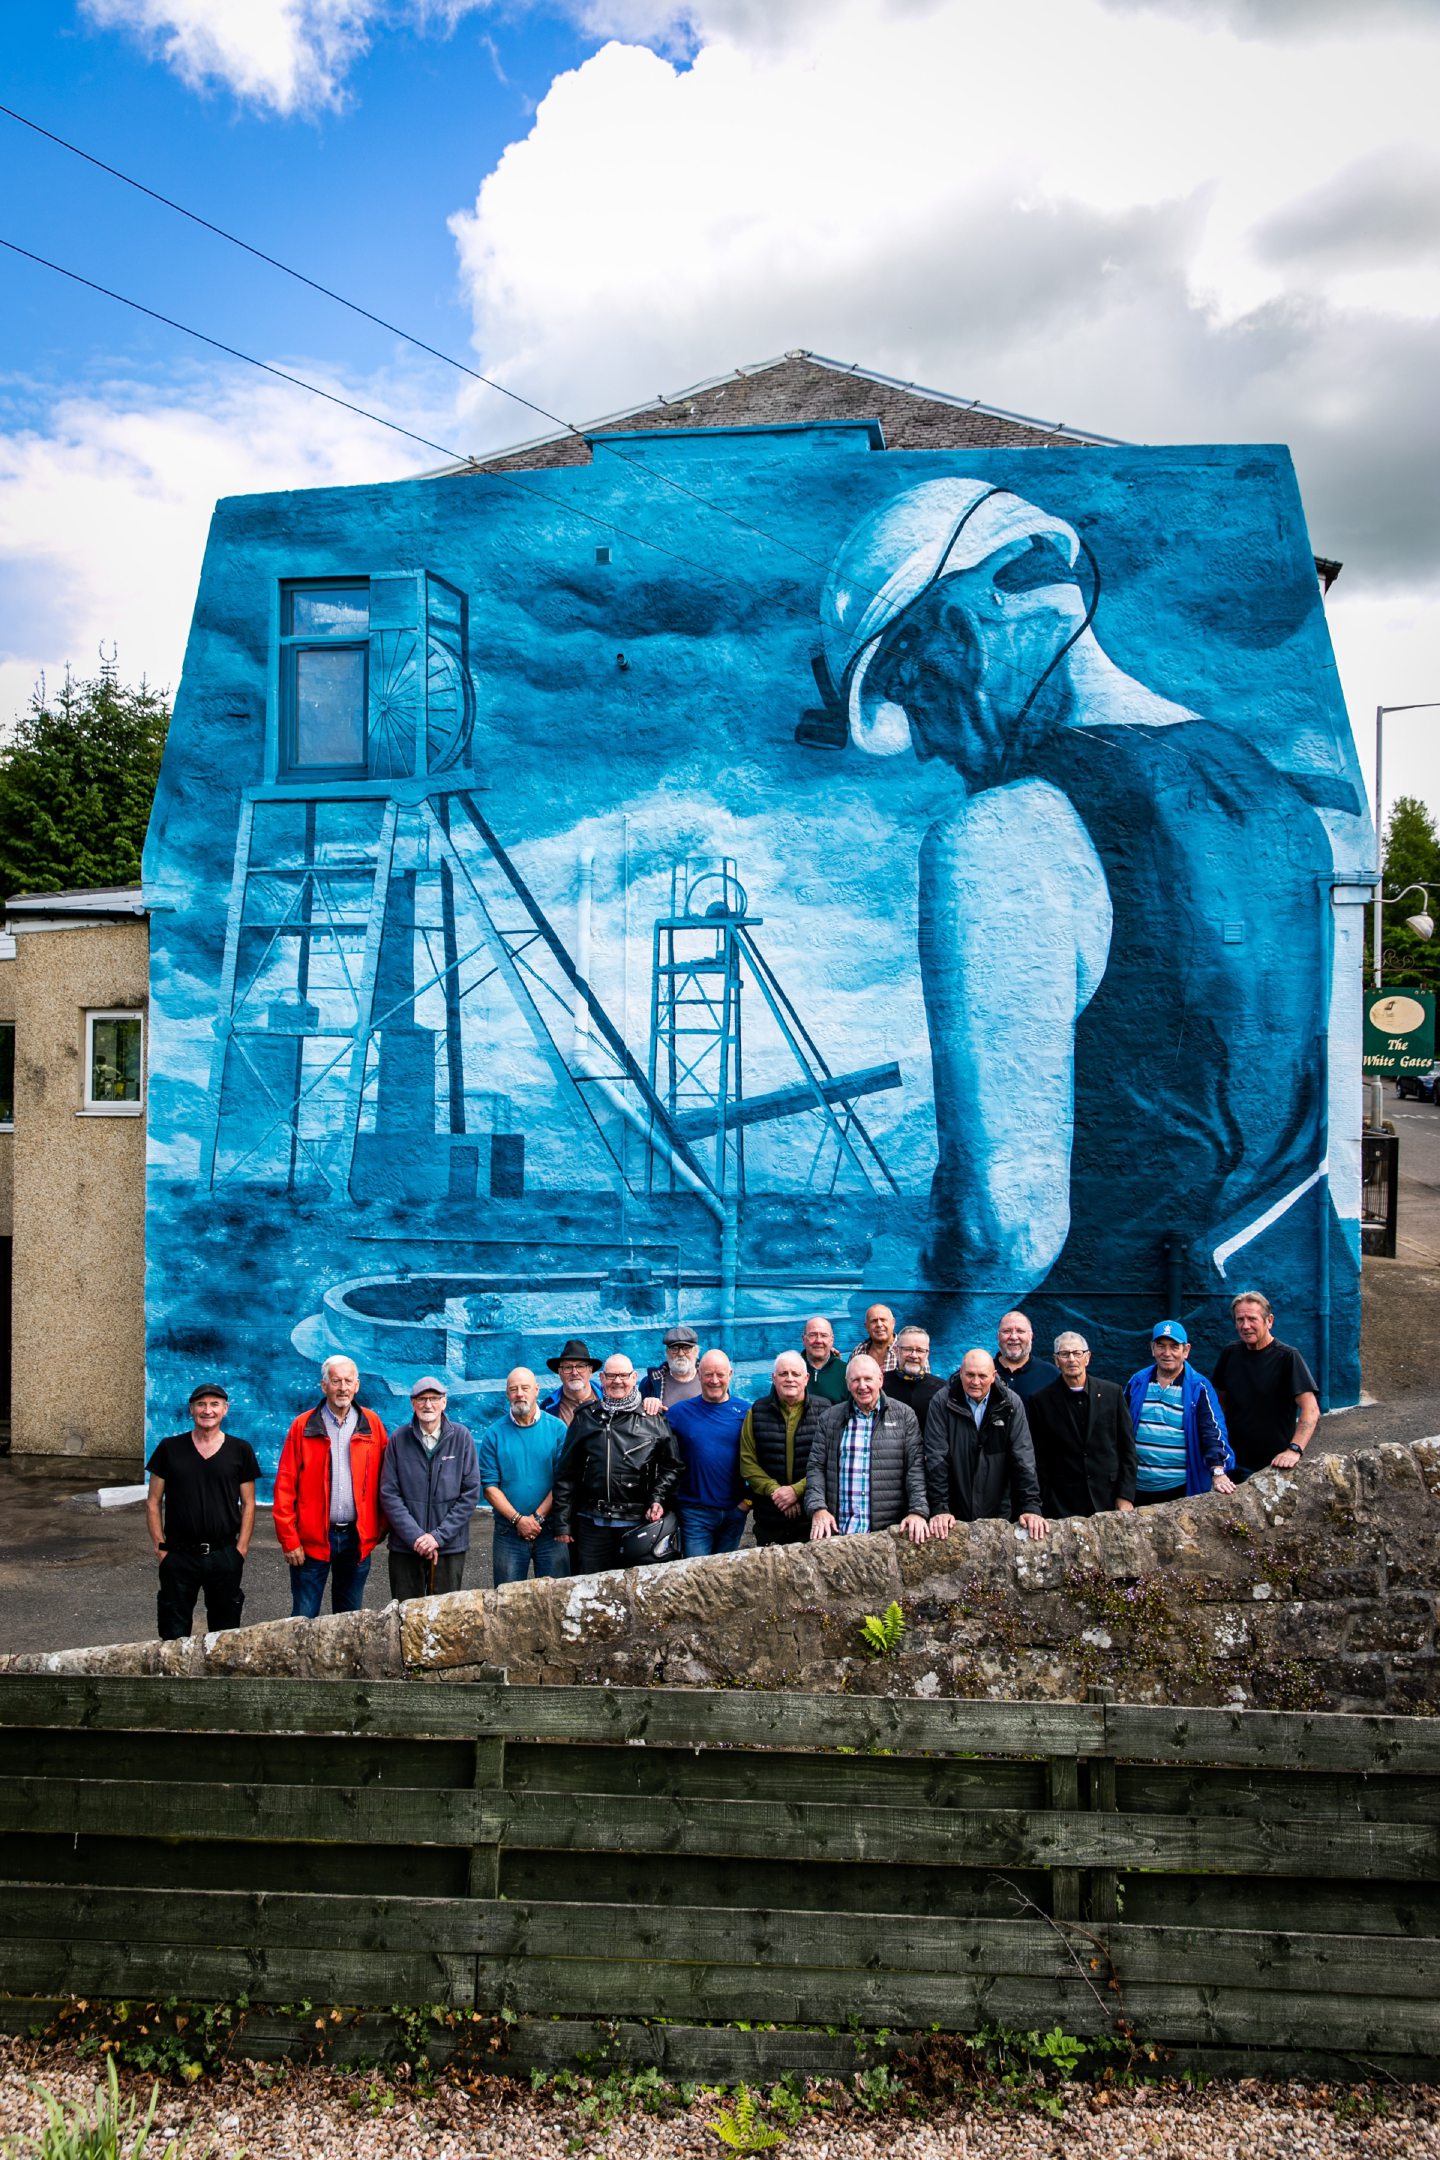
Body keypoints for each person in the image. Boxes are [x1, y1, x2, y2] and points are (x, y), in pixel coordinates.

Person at [818, 477, 1338, 1358]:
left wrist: (906, 1365)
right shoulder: (1282, 802)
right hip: (1243, 1344)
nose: (927, 740)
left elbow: (1004, 1230)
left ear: (963, 630)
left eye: (908, 688)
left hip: (1093, 1365)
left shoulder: (1000, 835)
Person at [273, 1354, 390, 1618]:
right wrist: (289, 1539)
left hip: (355, 1540)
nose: (343, 1387)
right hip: (311, 1540)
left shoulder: (372, 1424)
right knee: (303, 1618)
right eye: (335, 1381)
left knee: (349, 1621)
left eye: (348, 1381)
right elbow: (285, 1485)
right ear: (323, 1386)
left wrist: (380, 1527)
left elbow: (387, 1481)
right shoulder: (303, 1426)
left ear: (357, 1386)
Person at [551, 1352, 684, 1574]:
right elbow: (567, 1473)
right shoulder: (585, 1418)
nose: (618, 1381)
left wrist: (658, 1497)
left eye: (623, 1375)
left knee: (636, 1595)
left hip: (638, 1523)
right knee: (591, 1593)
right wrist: (562, 1523)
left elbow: (673, 1466)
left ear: (634, 1378)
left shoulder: (653, 1419)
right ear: (602, 1379)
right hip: (592, 1524)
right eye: (612, 1376)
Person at [145, 1383, 259, 1641]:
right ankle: (175, 1681)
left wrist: (240, 1548)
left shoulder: (240, 1450)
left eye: (214, 1404)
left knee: (224, 1633)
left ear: (225, 1409)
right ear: (191, 1409)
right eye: (201, 1404)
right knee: (173, 1632)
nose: (208, 1410)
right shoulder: (169, 1448)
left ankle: (218, 1681)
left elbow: (248, 1503)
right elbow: (153, 1501)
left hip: (224, 1554)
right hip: (178, 1555)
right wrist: (160, 1547)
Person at [924, 1350, 1047, 1541]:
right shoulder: (942, 1401)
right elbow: (936, 1459)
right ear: (960, 1372)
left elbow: (1023, 1457)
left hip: (999, 1511)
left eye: (982, 1376)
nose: (975, 1382)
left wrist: (1030, 1507)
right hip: (953, 1516)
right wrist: (940, 1507)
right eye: (970, 1375)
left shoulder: (1011, 1403)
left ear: (993, 1376)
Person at [806, 1355, 928, 1544]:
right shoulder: (829, 1418)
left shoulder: (905, 1415)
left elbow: (915, 1468)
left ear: (880, 1379)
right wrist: (818, 1508)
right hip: (838, 1533)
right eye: (855, 1380)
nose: (862, 1386)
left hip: (888, 1536)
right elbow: (815, 1467)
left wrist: (917, 1511)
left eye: (868, 1379)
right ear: (847, 1384)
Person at [379, 1375, 481, 1601]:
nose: (428, 1404)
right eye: (422, 1399)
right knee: (405, 1615)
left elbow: (470, 1493)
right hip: (406, 1547)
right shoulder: (398, 1439)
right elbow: (389, 1494)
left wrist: (437, 1537)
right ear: (412, 1403)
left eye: (434, 1398)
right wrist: (416, 1537)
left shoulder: (462, 1437)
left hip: (449, 1547)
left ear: (444, 1402)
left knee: (446, 1620)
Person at [478, 1366, 571, 1585]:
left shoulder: (557, 1429)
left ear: (536, 1390)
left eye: (525, 1388)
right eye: (513, 1389)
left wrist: (537, 1518)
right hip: (508, 1531)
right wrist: (518, 1520)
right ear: (507, 1394)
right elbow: (490, 1487)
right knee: (507, 1601)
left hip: (550, 1530)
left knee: (556, 1598)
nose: (519, 1394)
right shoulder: (494, 1434)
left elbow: (563, 1480)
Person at [1124, 1322, 1235, 1506]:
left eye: (1174, 1347)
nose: (1167, 1353)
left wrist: (1218, 1471)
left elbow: (1212, 1431)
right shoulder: (1137, 1381)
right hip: (1136, 1488)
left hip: (1180, 1490)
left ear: (1186, 1350)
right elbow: (1119, 1427)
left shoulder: (1198, 1387)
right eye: (1161, 1346)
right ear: (1153, 1349)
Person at [1028, 1332, 1136, 1520]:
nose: (1071, 1359)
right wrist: (1046, 1501)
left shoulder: (1113, 1393)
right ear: (1056, 1360)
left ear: (1087, 1358)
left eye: (1077, 1353)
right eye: (1064, 1354)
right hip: (1062, 1506)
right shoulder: (1041, 1401)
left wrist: (1125, 1496)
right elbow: (1040, 1458)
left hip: (1109, 1500)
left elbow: (1127, 1449)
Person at [1212, 1292, 1320, 1477]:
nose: (1245, 1326)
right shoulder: (1230, 1354)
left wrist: (1294, 1450)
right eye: (1240, 1319)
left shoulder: (1288, 1357)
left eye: (1252, 1319)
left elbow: (1311, 1410)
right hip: (1233, 1462)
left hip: (1273, 1466)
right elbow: (1220, 1405)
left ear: (1269, 1320)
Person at [667, 1350, 752, 1557]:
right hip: (695, 1514)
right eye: (708, 1374)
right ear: (698, 1374)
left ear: (730, 1374)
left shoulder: (747, 1412)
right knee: (694, 1577)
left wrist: (746, 1504)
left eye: (720, 1374)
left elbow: (762, 1458)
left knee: (726, 1577)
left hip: (735, 1511)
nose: (714, 1380)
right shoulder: (678, 1413)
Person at [739, 1351, 826, 1546]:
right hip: (770, 1519)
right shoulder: (756, 1411)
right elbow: (747, 1462)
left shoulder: (826, 1411)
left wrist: (796, 1491)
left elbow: (830, 1461)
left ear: (806, 1379)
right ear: (773, 1378)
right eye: (783, 1374)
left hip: (811, 1519)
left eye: (795, 1374)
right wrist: (777, 1492)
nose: (790, 1379)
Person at [995, 1311, 1060, 1406]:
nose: (1013, 1337)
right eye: (1006, 1331)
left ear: (1031, 1336)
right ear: (998, 1336)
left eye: (1020, 1331)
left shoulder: (1051, 1375)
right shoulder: (982, 1373)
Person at [884, 1327, 945, 1427]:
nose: (914, 1355)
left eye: (920, 1350)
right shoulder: (880, 1385)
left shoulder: (941, 1389)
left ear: (927, 1354)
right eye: (907, 1349)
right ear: (896, 1350)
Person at [640, 1324, 704, 1414]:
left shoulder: (709, 1379)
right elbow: (639, 1417)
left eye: (686, 1348)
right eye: (674, 1348)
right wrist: (647, 1404)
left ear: (696, 1351)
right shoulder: (650, 1382)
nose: (680, 1354)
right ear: (667, 1352)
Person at [540, 1338, 604, 1427]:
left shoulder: (608, 1397)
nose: (574, 1373)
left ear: (590, 1370)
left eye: (580, 1366)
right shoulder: (547, 1408)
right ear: (560, 1372)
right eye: (567, 1367)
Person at [801, 1316, 849, 1403]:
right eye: (812, 1335)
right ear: (803, 1339)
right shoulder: (791, 1369)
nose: (818, 1340)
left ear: (832, 1340)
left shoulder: (846, 1372)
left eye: (824, 1335)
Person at [851, 1304, 899, 1373]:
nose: (879, 1325)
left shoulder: (904, 1349)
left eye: (883, 1320)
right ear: (866, 1327)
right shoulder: (859, 1351)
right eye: (874, 1321)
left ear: (893, 1323)